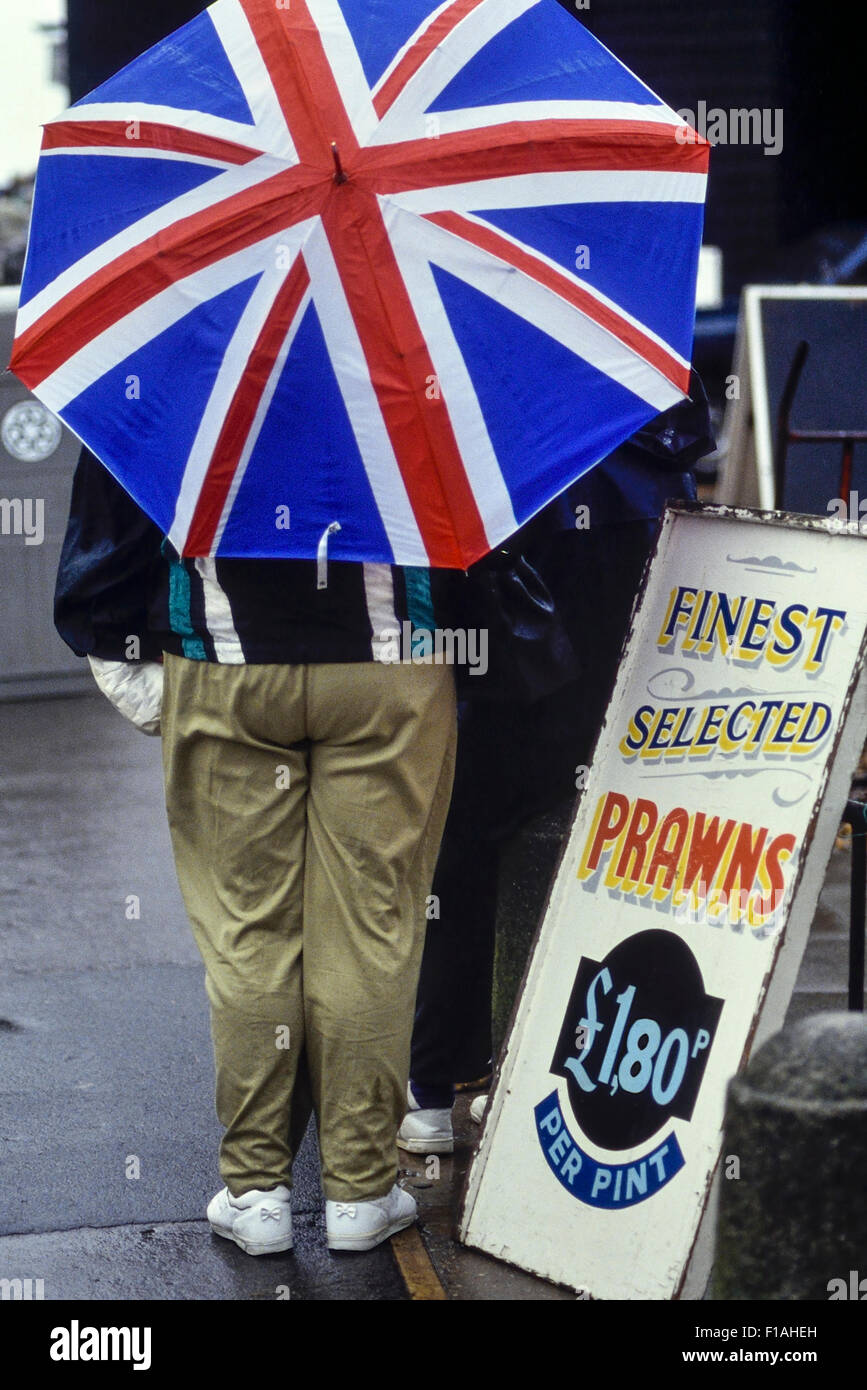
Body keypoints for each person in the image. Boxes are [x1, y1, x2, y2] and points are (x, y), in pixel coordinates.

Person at [54, 446, 460, 1254]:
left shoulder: (191, 362)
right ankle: (358, 1190)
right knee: (371, 931)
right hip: (388, 664)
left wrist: (126, 661)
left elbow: (109, 526)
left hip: (222, 663)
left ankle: (258, 1191)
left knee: (248, 935)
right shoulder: (412, 358)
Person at [399, 373, 716, 1153]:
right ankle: (592, 1076)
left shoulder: (513, 422)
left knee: (460, 874)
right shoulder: (660, 428)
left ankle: (437, 1091)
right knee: (616, 883)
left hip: (521, 702)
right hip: (640, 702)